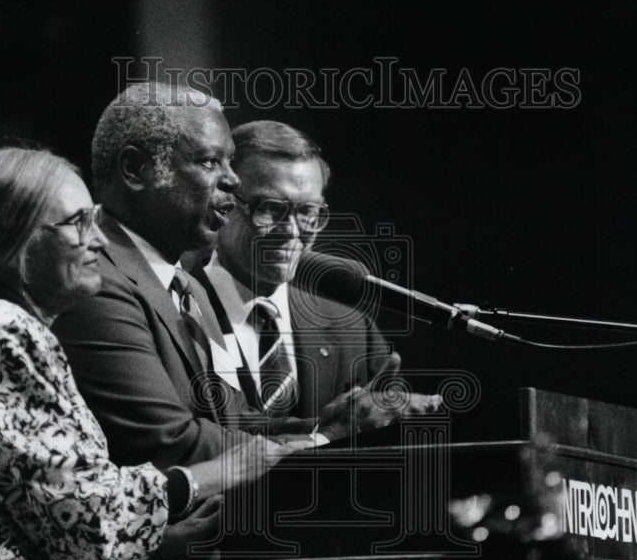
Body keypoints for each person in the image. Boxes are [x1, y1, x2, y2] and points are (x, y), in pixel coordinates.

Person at [0, 147, 295, 560]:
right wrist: (214, 474)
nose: (101, 241)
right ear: (17, 239)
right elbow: (84, 517)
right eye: (79, 222)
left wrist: (162, 543)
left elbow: (43, 516)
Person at [52, 83, 419, 471]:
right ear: (135, 169)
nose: (231, 180)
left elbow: (236, 420)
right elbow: (172, 442)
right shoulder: (95, 283)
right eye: (210, 161)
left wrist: (329, 425)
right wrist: (321, 440)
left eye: (229, 162)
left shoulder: (179, 285)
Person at [192, 120, 395, 419]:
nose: (291, 231)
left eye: (308, 212)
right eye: (270, 208)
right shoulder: (179, 311)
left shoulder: (352, 328)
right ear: (222, 202)